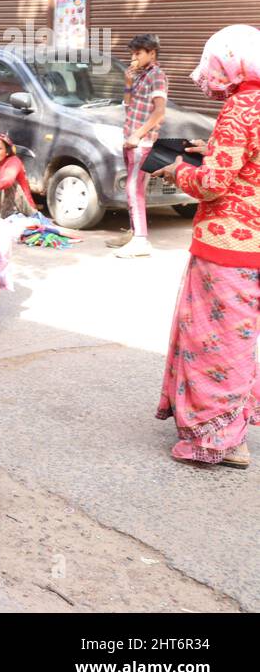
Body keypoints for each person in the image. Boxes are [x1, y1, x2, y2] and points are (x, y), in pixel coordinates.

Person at [150, 24, 260, 469]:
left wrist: (175, 170)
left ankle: (219, 439)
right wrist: (212, 147)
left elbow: (213, 183)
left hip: (227, 248)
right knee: (243, 339)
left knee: (215, 342)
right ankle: (233, 427)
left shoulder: (240, 108)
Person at [108, 34, 168, 258]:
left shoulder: (157, 76)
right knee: (132, 188)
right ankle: (134, 233)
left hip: (141, 142)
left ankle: (141, 240)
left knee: (135, 188)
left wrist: (137, 136)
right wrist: (127, 82)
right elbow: (128, 105)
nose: (134, 58)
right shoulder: (141, 76)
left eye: (138, 53)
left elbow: (159, 112)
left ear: (152, 53)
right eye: (132, 54)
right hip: (131, 139)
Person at [0, 132, 38, 218]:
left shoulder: (14, 161)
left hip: (25, 209)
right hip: (5, 205)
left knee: (9, 183)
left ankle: (5, 215)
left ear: (7, 152)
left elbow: (8, 181)